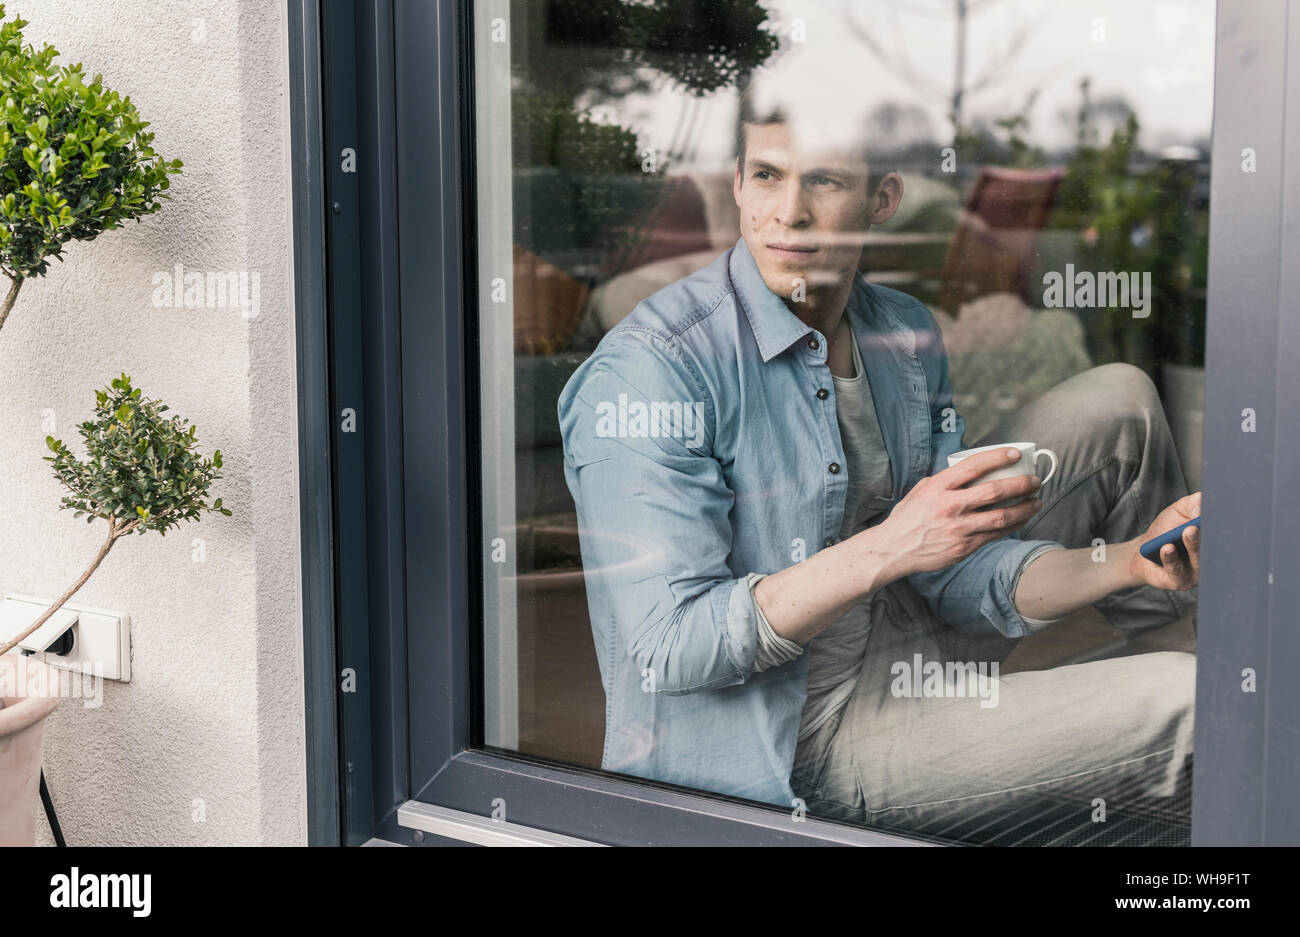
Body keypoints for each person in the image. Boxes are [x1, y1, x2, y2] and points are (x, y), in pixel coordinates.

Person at [556, 63, 1199, 843]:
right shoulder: (654, 368)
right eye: (766, 175)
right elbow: (669, 646)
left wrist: (1125, 559)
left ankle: (1176, 719)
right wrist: (896, 541)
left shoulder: (900, 329)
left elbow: (955, 567)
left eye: (823, 180)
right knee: (1193, 701)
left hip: (912, 631)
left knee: (1123, 399)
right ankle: (1188, 751)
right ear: (737, 184)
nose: (788, 213)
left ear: (882, 200)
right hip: (802, 749)